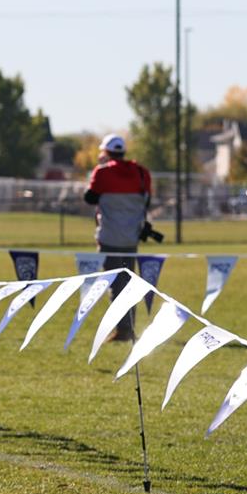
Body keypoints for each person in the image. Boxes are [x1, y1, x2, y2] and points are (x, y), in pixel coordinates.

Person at [85, 133, 154, 340]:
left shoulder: (103, 172)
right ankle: (128, 325)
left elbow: (89, 197)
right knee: (127, 280)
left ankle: (124, 330)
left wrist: (101, 167)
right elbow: (147, 201)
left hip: (108, 238)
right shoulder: (141, 173)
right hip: (131, 238)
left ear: (106, 152)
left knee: (115, 283)